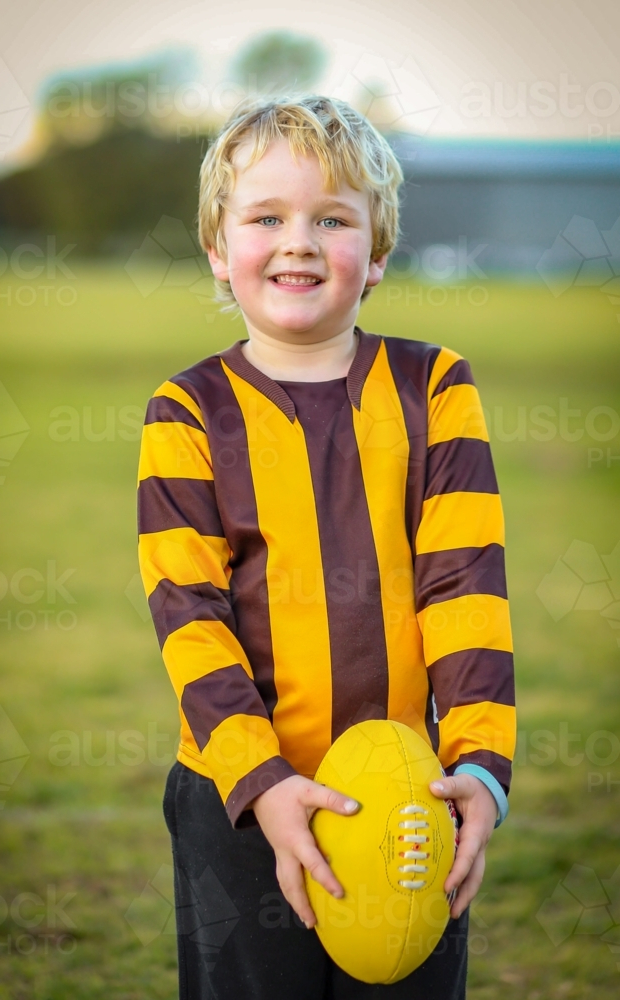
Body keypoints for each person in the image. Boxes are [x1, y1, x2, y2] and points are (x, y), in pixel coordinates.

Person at [137, 95, 516, 999]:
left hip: (408, 801)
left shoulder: (434, 388)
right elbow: (188, 613)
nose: (298, 241)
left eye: (331, 219)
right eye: (266, 217)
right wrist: (262, 781)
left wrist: (480, 770)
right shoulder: (188, 410)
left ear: (376, 254)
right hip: (236, 798)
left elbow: (466, 587)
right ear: (218, 252)